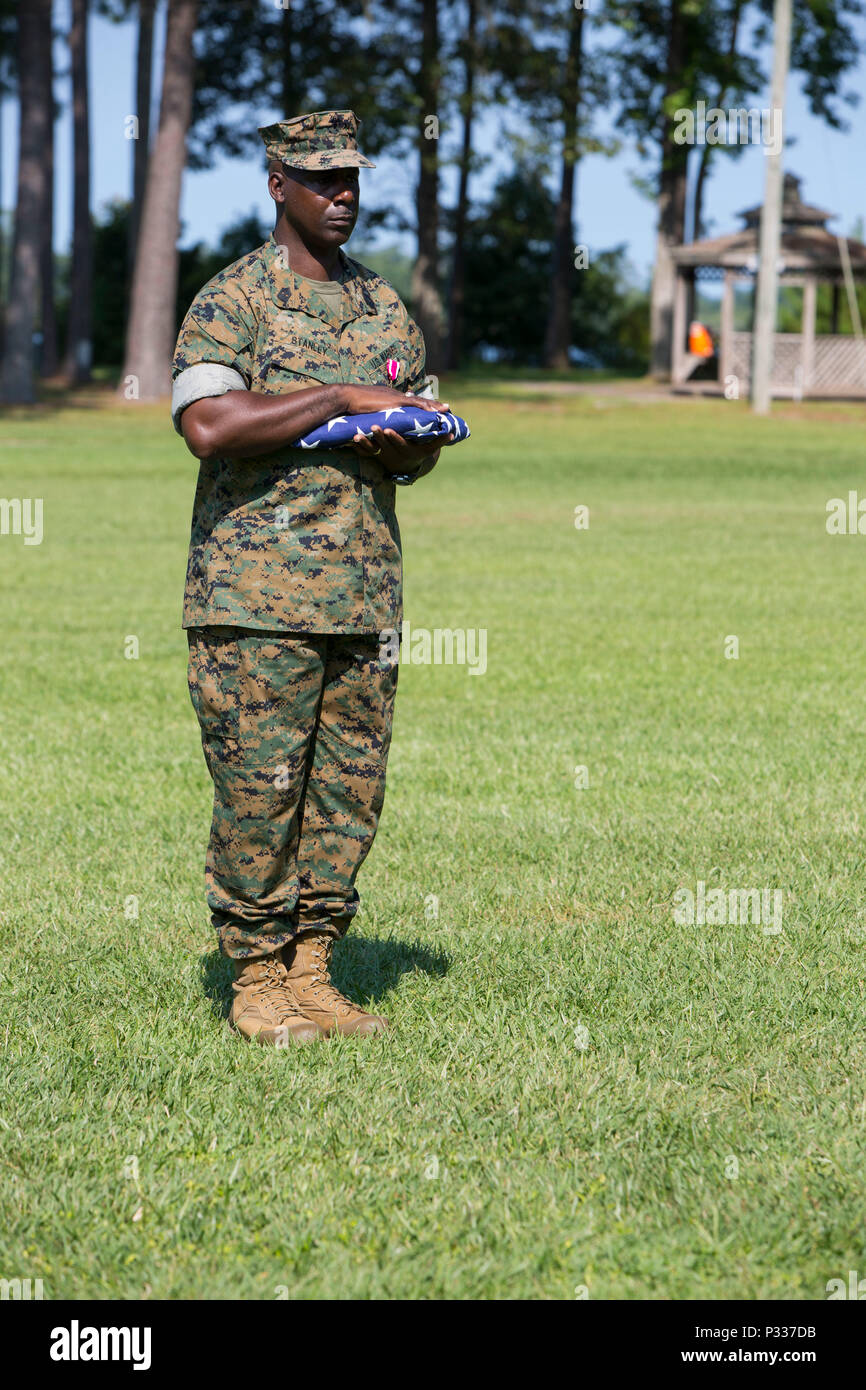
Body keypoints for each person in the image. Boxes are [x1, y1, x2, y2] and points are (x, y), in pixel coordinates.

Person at [171, 109, 452, 1045]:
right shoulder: (234, 300)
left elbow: (417, 450)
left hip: (364, 596)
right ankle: (255, 980)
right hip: (255, 600)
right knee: (260, 791)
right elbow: (207, 427)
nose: (342, 195)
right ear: (277, 185)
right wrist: (335, 397)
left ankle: (314, 970)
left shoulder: (382, 307)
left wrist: (401, 439)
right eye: (322, 179)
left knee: (347, 790)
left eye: (352, 180)